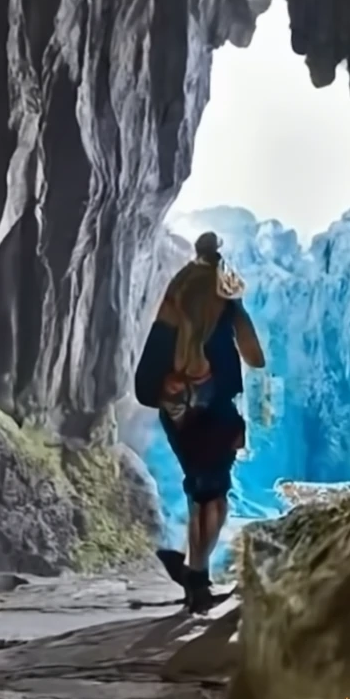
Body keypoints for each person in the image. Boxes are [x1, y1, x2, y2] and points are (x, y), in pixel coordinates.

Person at [134, 231, 265, 613]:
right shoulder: (226, 297)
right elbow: (254, 357)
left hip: (180, 412)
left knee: (199, 496)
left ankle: (196, 576)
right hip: (217, 409)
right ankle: (196, 575)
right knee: (216, 495)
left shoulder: (178, 292)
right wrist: (236, 308)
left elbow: (152, 365)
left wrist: (167, 388)